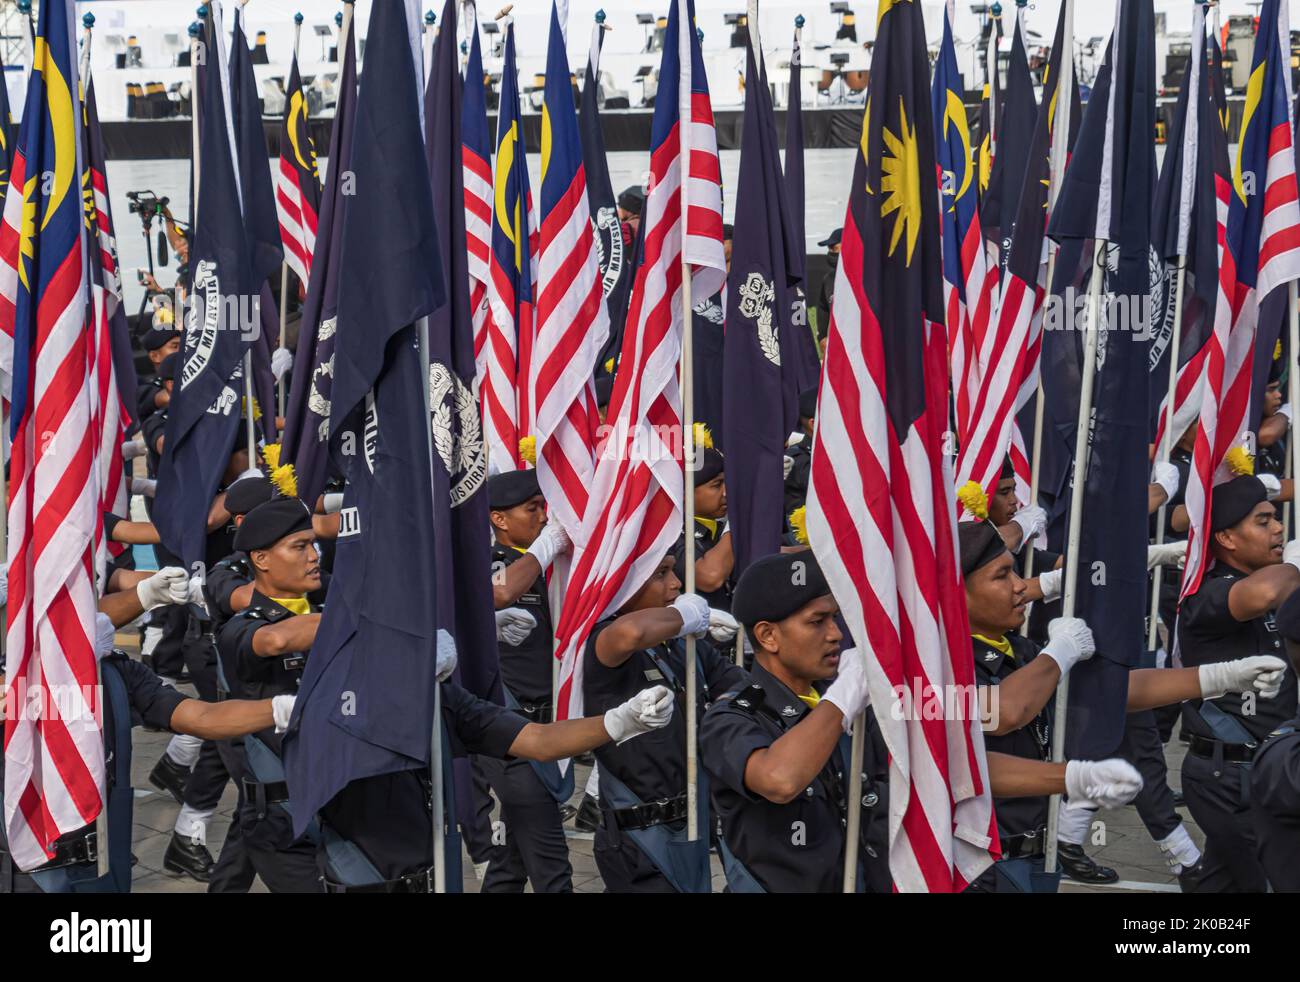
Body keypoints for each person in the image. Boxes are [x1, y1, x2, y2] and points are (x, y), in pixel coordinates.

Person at [703, 551, 1146, 893]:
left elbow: (953, 764)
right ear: (767, 636)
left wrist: (1071, 778)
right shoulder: (734, 715)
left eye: (835, 618)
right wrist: (843, 700)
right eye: (817, 622)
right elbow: (781, 778)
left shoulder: (863, 699)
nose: (836, 633)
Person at [960, 519, 1285, 891]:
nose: (1021, 585)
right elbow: (1002, 713)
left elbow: (1114, 691)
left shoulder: (1019, 651)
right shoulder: (940, 663)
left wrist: (1221, 676)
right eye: (1002, 576)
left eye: (1016, 572)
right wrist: (1058, 656)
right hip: (977, 865)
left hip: (1033, 857)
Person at [0, 576, 294, 894]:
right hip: (22, 869)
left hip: (97, 862)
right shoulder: (11, 684)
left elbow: (202, 716)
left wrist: (282, 709)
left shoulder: (113, 672)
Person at [313, 637, 676, 893]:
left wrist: (620, 721)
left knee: (514, 862)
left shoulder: (443, 696)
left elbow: (538, 741)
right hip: (359, 873)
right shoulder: (335, 692)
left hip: (430, 874)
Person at [583, 553, 746, 892]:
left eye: (673, 571)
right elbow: (628, 633)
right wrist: (683, 615)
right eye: (660, 573)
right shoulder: (604, 641)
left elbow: (742, 686)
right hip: (638, 840)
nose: (676, 583)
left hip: (691, 828)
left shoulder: (680, 646)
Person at [1175, 474, 1300, 892]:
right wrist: (1295, 564)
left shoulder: (1278, 582)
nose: (1279, 528)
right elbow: (1263, 594)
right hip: (1228, 775)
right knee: (1273, 880)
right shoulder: (1207, 594)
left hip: (1264, 768)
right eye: (1263, 521)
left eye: (1276, 519)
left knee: (1224, 882)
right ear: (1226, 537)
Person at [215, 497, 328, 892]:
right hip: (282, 814)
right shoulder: (243, 626)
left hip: (344, 802)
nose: (313, 556)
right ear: (261, 559)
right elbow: (276, 639)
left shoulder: (327, 604)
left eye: (313, 544)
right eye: (299, 547)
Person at [478, 469, 577, 892]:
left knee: (511, 860)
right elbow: (499, 592)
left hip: (547, 726)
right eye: (531, 508)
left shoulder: (548, 568)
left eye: (544, 506)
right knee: (552, 863)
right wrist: (547, 545)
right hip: (507, 728)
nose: (542, 516)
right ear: (499, 519)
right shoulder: (494, 561)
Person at [674, 436, 735, 613]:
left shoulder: (719, 527)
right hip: (696, 638)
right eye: (717, 485)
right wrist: (737, 524)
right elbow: (710, 576)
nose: (726, 492)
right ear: (685, 493)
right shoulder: (672, 532)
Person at [815, 228, 841, 339]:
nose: (830, 253)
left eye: (833, 248)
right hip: (838, 345)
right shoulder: (829, 279)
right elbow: (823, 307)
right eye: (829, 249)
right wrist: (822, 337)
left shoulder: (865, 278)